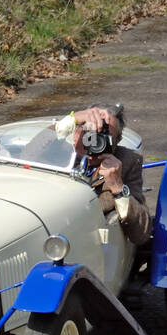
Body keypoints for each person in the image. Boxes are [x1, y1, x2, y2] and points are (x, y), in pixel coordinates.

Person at [52, 104, 151, 245]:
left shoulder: (126, 162)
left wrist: (118, 187)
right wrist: (72, 119)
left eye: (104, 137)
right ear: (76, 134)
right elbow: (29, 154)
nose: (95, 141)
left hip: (91, 242)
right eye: (90, 134)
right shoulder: (58, 151)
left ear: (115, 143)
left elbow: (142, 233)